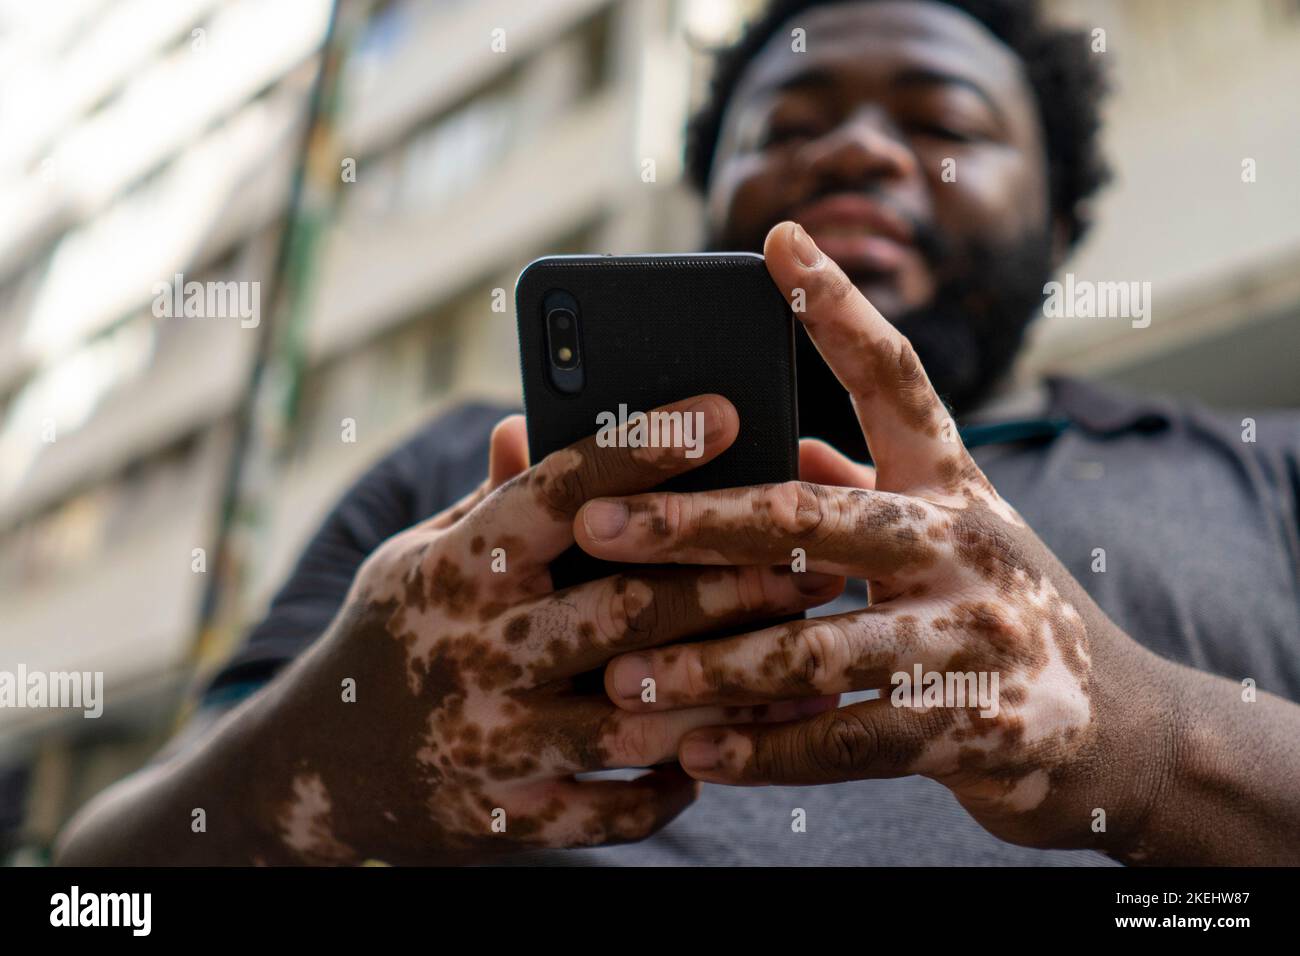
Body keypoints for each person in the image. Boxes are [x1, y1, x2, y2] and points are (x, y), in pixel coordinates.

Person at [56, 0, 1300, 866]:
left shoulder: (1257, 467)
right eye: (788, 123)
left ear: (1061, 211)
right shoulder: (468, 490)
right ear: (712, 195)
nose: (859, 148)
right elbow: (100, 882)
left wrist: (1134, 745)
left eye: (943, 123)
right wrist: (330, 762)